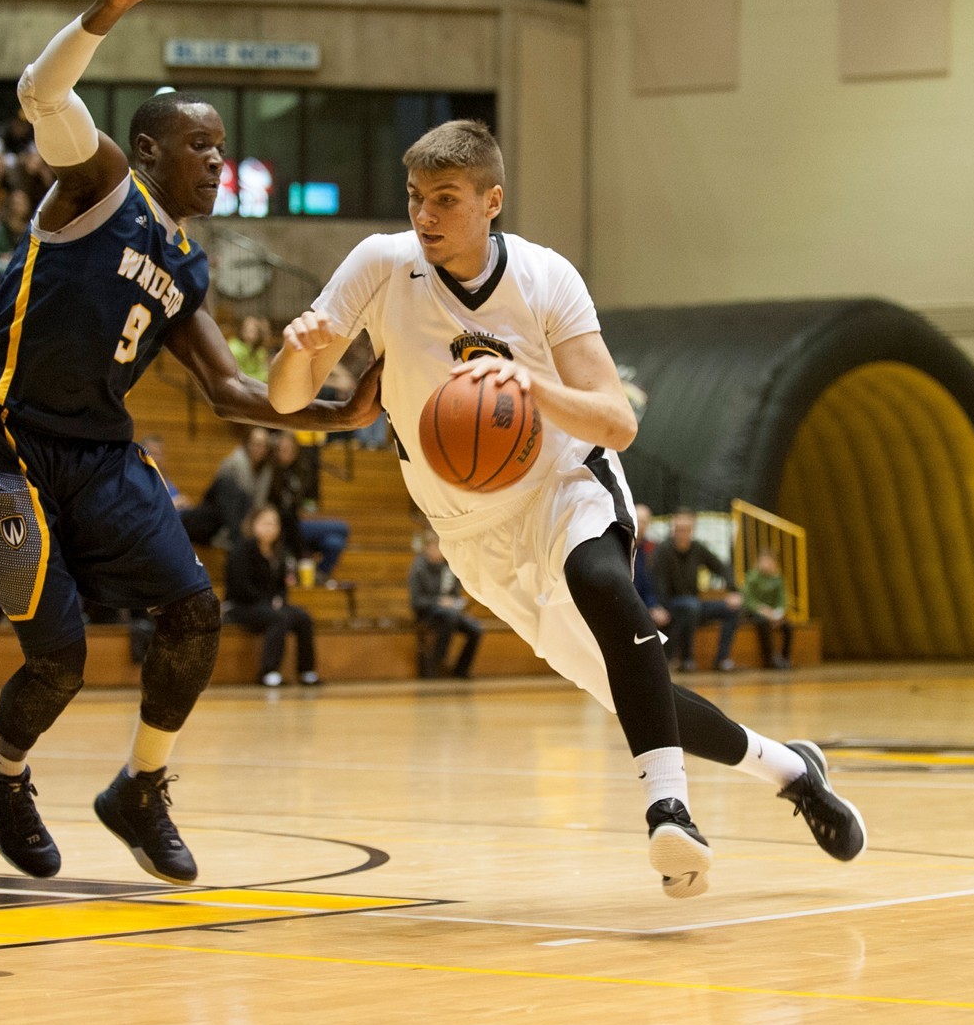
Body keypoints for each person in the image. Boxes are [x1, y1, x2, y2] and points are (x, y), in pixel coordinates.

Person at [270, 119, 864, 898]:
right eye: (416, 198)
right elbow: (286, 398)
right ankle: (792, 768)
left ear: (493, 201)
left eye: (445, 200)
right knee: (630, 686)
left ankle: (667, 809)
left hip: (562, 481)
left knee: (606, 584)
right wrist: (302, 348)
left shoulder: (546, 277)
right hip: (471, 533)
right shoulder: (382, 266)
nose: (425, 216)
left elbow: (617, 420)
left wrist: (531, 386)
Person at [0, 0, 381, 886]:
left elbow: (227, 388)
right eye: (200, 145)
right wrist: (107, 12)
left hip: (95, 451)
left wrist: (337, 415)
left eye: (223, 147)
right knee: (59, 657)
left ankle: (140, 786)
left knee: (193, 611)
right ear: (147, 150)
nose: (218, 160)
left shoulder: (184, 262)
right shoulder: (98, 187)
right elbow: (41, 95)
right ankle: (3, 774)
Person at [224, 505, 318, 688]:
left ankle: (307, 672)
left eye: (274, 523)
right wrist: (267, 602)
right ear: (253, 525)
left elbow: (281, 586)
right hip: (241, 606)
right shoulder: (241, 550)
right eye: (266, 523)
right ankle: (268, 672)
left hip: (269, 605)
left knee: (303, 617)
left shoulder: (279, 552)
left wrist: (279, 599)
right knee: (279, 618)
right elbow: (240, 587)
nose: (271, 527)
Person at [650, 509, 744, 673]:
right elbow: (658, 584)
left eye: (686, 529)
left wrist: (733, 590)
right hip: (670, 607)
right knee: (690, 605)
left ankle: (722, 660)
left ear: (692, 530)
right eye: (678, 529)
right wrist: (659, 606)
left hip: (695, 606)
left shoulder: (697, 548)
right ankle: (687, 660)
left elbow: (721, 566)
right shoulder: (663, 550)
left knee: (732, 609)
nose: (681, 533)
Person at [269, 430, 349, 582]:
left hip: (296, 525)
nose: (285, 453)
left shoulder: (300, 469)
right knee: (342, 528)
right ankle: (310, 572)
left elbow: (307, 502)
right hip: (283, 527)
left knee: (334, 542)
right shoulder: (271, 472)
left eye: (289, 449)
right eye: (281, 449)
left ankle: (318, 574)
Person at [409, 530, 482, 679]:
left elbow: (454, 594)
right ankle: (437, 664)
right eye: (434, 547)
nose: (438, 551)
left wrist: (455, 602)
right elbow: (417, 601)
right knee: (449, 618)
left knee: (476, 629)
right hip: (427, 613)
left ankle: (460, 670)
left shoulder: (448, 567)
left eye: (440, 547)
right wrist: (438, 602)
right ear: (427, 548)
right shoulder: (418, 568)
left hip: (450, 613)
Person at [742, 551, 793, 669]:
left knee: (788, 626)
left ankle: (785, 658)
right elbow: (748, 600)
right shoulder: (752, 577)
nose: (766, 564)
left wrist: (778, 614)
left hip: (773, 614)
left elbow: (783, 600)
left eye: (769, 561)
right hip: (755, 613)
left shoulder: (778, 579)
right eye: (763, 561)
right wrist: (764, 611)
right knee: (762, 623)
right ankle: (769, 659)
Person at [227, 314, 270, 381]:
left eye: (254, 331)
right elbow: (235, 374)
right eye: (248, 330)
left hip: (258, 382)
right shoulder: (233, 348)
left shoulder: (259, 349)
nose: (251, 334)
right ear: (242, 330)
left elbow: (264, 370)